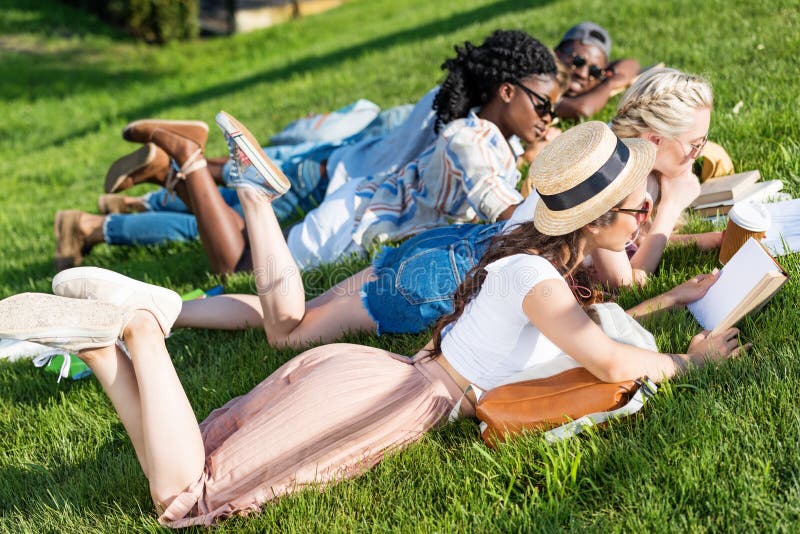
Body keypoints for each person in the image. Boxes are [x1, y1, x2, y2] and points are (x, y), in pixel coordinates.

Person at [0, 121, 747, 528]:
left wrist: (673, 303)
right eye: (637, 208)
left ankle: (101, 349)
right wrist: (693, 362)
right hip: (391, 401)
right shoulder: (537, 279)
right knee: (188, 497)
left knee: (200, 454)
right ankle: (139, 327)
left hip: (375, 376)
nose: (645, 217)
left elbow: (591, 337)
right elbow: (611, 363)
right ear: (595, 219)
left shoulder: (530, 262)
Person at [173, 68, 720, 345]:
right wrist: (673, 206)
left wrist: (705, 240)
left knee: (300, 310)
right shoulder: (619, 182)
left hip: (454, 249)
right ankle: (254, 196)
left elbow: (618, 245)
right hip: (442, 282)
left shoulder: (599, 154)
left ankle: (165, 310)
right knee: (286, 334)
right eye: (694, 144)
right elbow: (626, 281)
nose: (698, 154)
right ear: (655, 137)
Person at [553, 21, 640, 120]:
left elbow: (632, 64)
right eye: (577, 61)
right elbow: (583, 109)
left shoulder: (601, 74)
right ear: (557, 54)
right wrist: (608, 85)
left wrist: (611, 78)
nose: (583, 74)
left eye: (594, 70)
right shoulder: (542, 80)